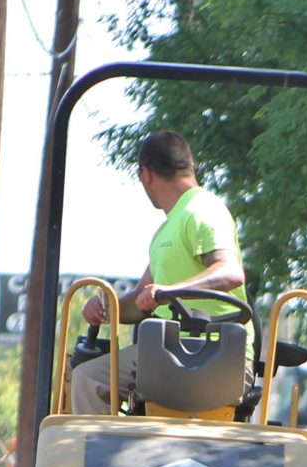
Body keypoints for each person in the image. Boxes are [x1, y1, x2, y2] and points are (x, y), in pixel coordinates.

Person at [73, 130, 249, 415]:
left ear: (146, 174)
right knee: (94, 370)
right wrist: (107, 308)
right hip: (169, 357)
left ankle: (97, 458)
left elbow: (230, 272)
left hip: (217, 358)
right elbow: (142, 302)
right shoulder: (166, 232)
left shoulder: (202, 211)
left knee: (87, 377)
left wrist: (170, 291)